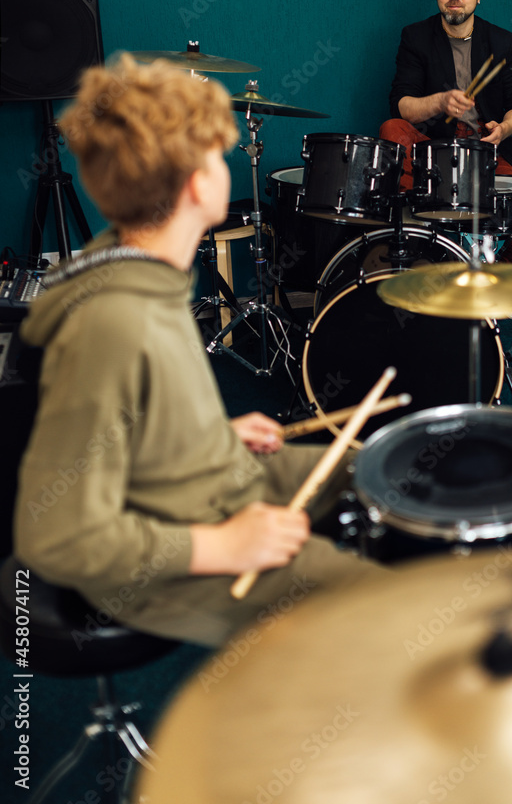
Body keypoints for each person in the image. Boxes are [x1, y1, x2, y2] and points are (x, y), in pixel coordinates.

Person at [13, 54, 380, 649]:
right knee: (380, 595)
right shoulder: (111, 324)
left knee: (379, 467)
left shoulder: (143, 268)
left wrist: (207, 433)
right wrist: (223, 546)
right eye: (217, 156)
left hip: (212, 477)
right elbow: (55, 534)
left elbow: (136, 417)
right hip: (172, 557)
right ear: (197, 184)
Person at [380, 0, 512, 265]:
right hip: (433, 154)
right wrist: (440, 101)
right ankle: (425, 213)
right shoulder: (415, 37)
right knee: (391, 129)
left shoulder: (501, 42)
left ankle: (500, 285)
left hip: (486, 151)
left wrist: (504, 128)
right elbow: (402, 106)